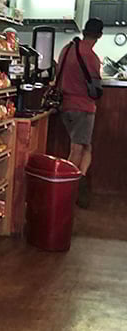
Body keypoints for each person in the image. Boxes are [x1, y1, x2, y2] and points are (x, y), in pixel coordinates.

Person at [56, 17, 103, 208]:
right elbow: (96, 89)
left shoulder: (66, 49)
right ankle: (65, 191)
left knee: (86, 147)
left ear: (84, 32)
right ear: (99, 35)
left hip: (64, 106)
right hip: (82, 108)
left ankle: (78, 183)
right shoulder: (91, 57)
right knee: (77, 149)